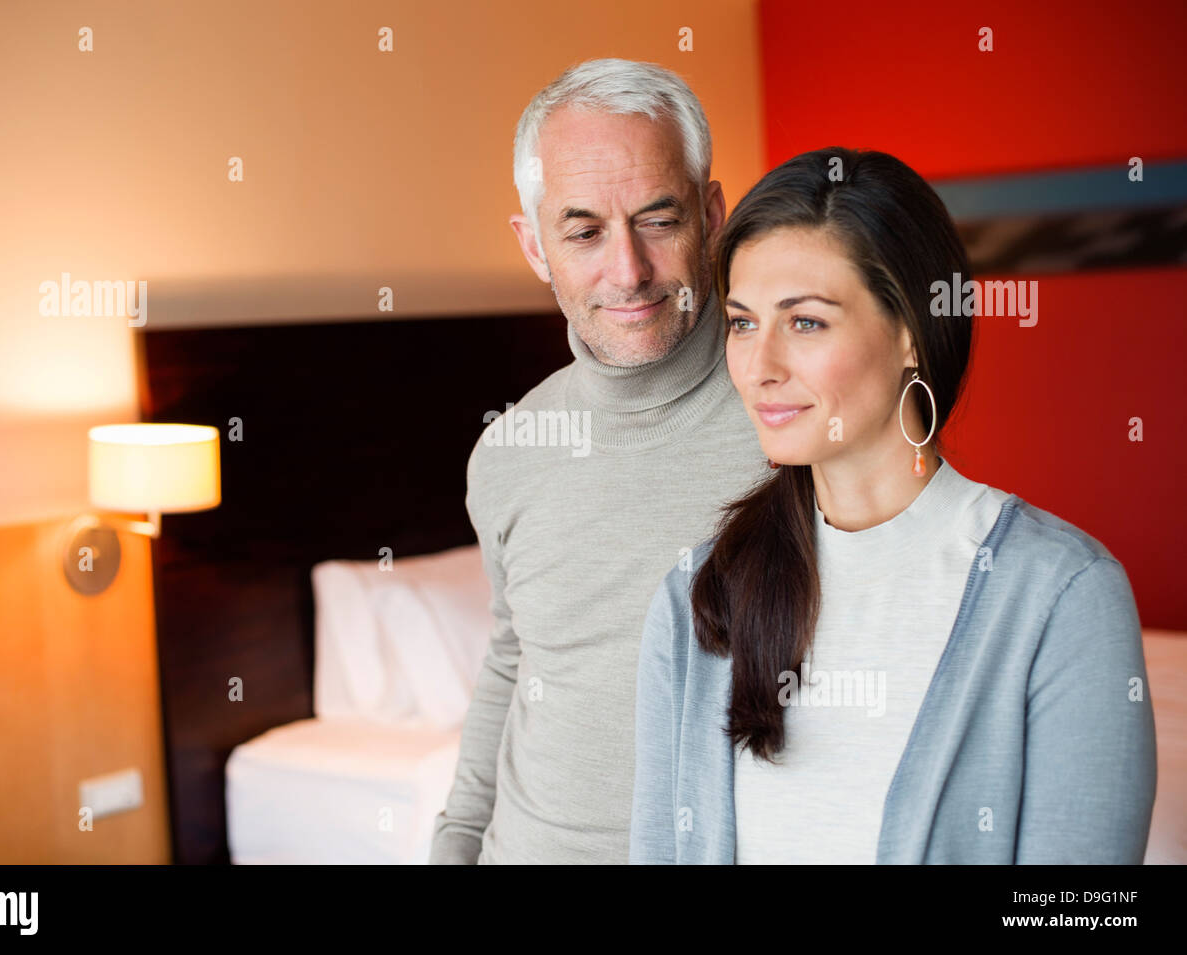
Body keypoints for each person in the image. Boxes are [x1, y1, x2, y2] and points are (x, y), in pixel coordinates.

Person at [630, 146, 1158, 864]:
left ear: (910, 330)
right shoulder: (697, 597)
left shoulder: (1063, 594)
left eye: (806, 321)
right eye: (744, 322)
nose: (760, 367)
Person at [428, 58, 767, 864]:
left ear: (712, 215)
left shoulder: (795, 413)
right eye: (583, 232)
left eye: (658, 218)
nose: (628, 270)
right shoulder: (508, 450)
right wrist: (455, 842)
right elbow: (516, 655)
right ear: (535, 246)